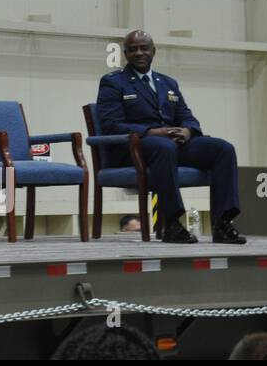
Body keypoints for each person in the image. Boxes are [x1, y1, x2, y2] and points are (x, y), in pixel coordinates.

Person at [96, 30, 244, 245]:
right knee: (163, 147)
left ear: (153, 51)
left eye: (144, 48)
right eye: (133, 49)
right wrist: (151, 132)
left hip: (171, 145)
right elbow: (111, 124)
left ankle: (223, 224)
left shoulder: (168, 83)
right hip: (134, 148)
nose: (139, 53)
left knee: (223, 149)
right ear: (125, 53)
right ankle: (171, 225)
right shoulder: (113, 82)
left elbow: (187, 117)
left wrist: (188, 131)